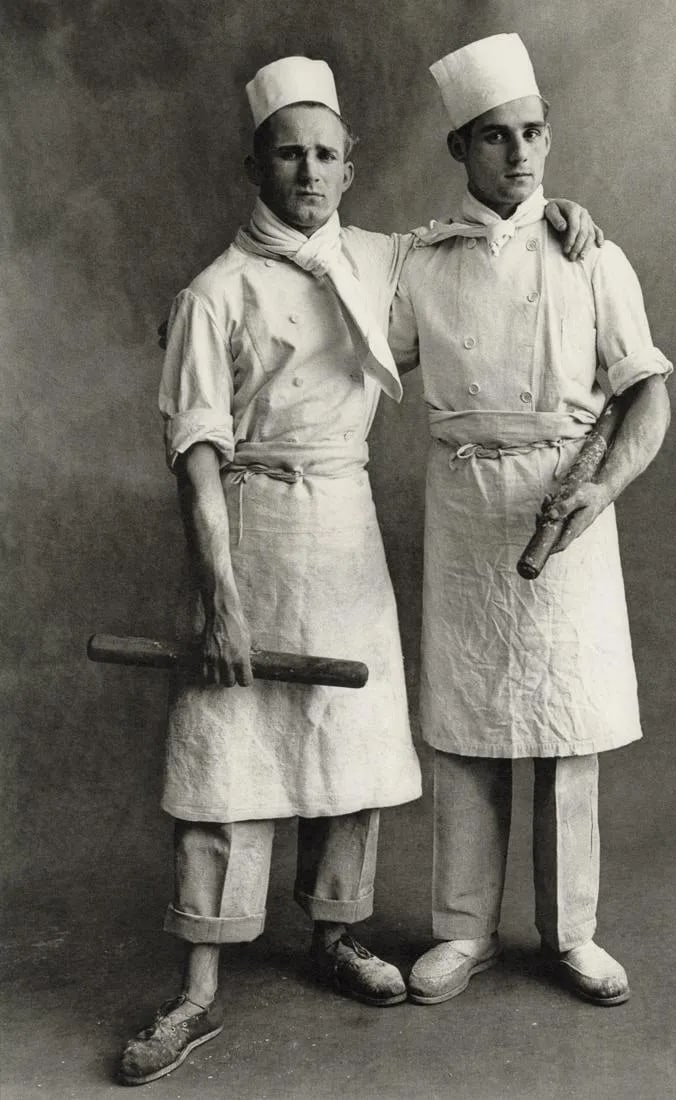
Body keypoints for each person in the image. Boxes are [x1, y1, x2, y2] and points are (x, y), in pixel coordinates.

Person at [118, 54, 599, 1085]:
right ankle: (197, 987)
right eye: (288, 154)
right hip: (248, 532)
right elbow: (195, 459)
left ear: (351, 165)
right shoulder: (214, 293)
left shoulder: (386, 259)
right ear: (255, 164)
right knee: (227, 757)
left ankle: (333, 935)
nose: (309, 173)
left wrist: (558, 217)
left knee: (349, 746)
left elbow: (487, 251)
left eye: (326, 155)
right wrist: (220, 601)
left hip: (345, 530)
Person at [388, 33, 672, 1008]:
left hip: (566, 508)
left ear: (548, 137)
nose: (519, 153)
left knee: (564, 724)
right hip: (466, 508)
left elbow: (647, 395)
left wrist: (603, 487)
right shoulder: (420, 264)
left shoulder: (592, 255)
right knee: (467, 727)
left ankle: (571, 932)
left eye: (532, 132)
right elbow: (345, 350)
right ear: (459, 148)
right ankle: (461, 931)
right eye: (495, 136)